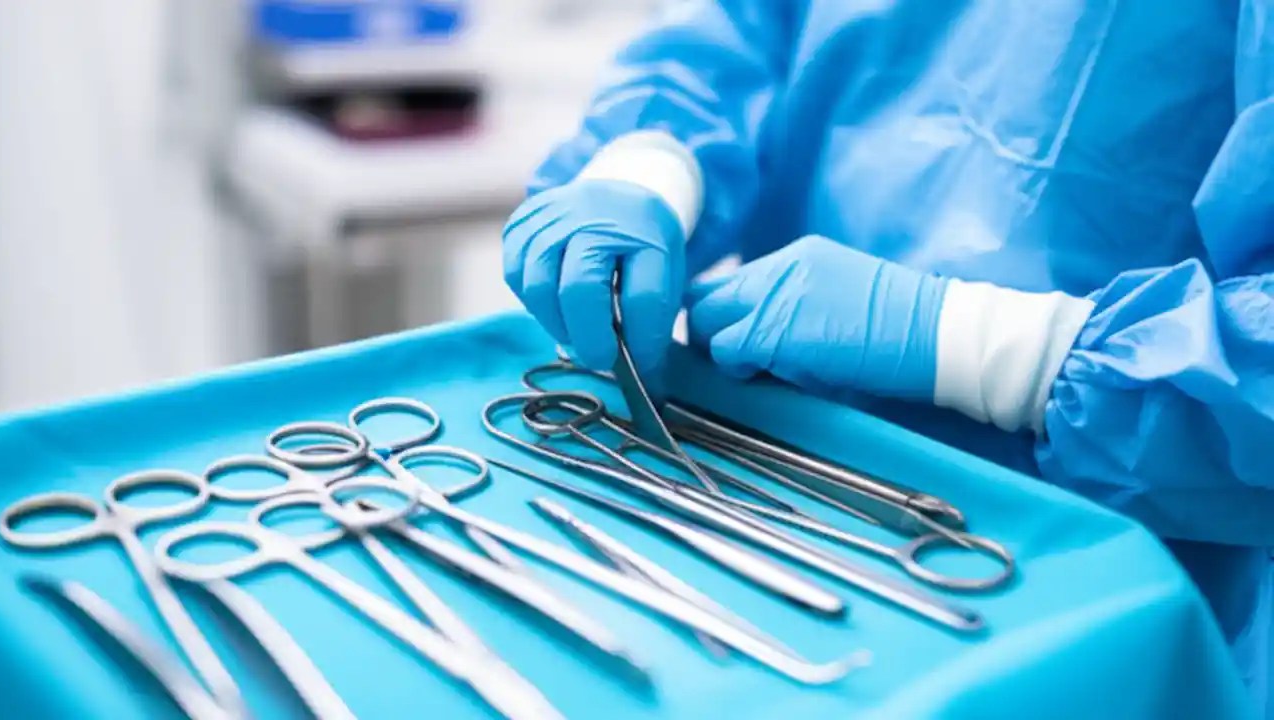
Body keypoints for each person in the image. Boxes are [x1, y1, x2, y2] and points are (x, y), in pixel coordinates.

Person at [501, 1, 1274, 712]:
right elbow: (743, 33)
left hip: (1126, 564)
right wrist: (649, 169)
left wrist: (1003, 350)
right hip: (775, 445)